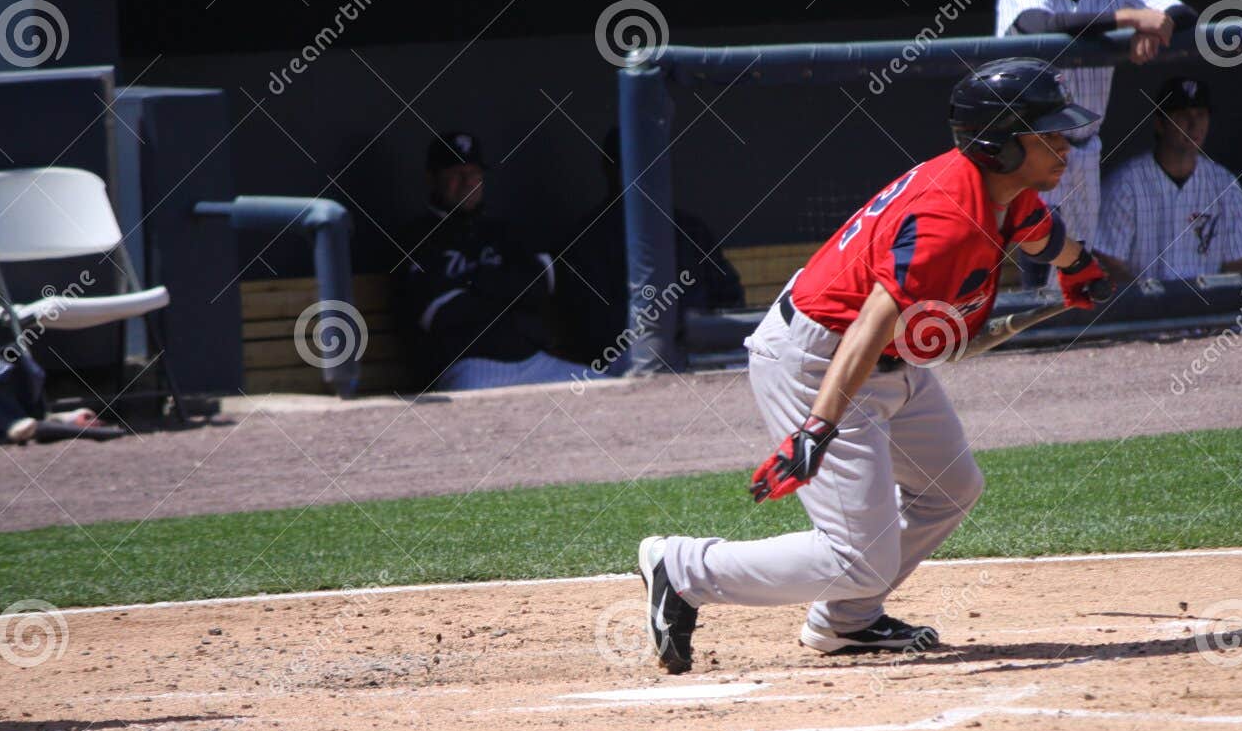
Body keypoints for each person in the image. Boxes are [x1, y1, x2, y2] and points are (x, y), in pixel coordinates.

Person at [636, 59, 1110, 674]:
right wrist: (817, 428)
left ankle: (846, 622)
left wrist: (1077, 264)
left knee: (950, 488)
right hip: (821, 362)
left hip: (887, 363)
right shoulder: (946, 221)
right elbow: (871, 323)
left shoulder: (999, 191)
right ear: (999, 143)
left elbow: (1038, 231)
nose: (1063, 145)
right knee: (857, 558)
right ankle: (683, 569)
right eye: (1046, 134)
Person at [995, 0, 1193, 283]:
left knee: (1073, 255)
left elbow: (1181, 11)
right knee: (1036, 239)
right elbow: (1036, 24)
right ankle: (1029, 332)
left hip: (1083, 145)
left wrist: (1154, 28)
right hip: (1025, 144)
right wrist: (1131, 20)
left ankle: (1066, 334)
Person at [551, 130, 745, 375]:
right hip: (622, 362)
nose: (643, 176)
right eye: (631, 166)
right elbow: (587, 326)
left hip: (697, 357)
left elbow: (728, 296)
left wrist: (699, 335)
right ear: (610, 170)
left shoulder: (691, 230)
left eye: (652, 166)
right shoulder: (587, 239)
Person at [396, 131, 578, 390]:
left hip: (534, 361)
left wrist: (472, 285)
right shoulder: (416, 237)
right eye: (455, 174)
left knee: (610, 392)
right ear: (431, 178)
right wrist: (510, 290)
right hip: (468, 366)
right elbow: (438, 313)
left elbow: (543, 283)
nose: (468, 182)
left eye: (474, 173)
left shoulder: (503, 230)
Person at [1094, 77, 1242, 282]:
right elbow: (1110, 264)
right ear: (1160, 123)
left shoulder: (1224, 183)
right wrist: (1146, 304)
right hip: (1147, 308)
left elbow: (1236, 263)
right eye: (1182, 115)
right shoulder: (1125, 184)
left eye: (1201, 114)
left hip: (1208, 308)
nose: (1194, 124)